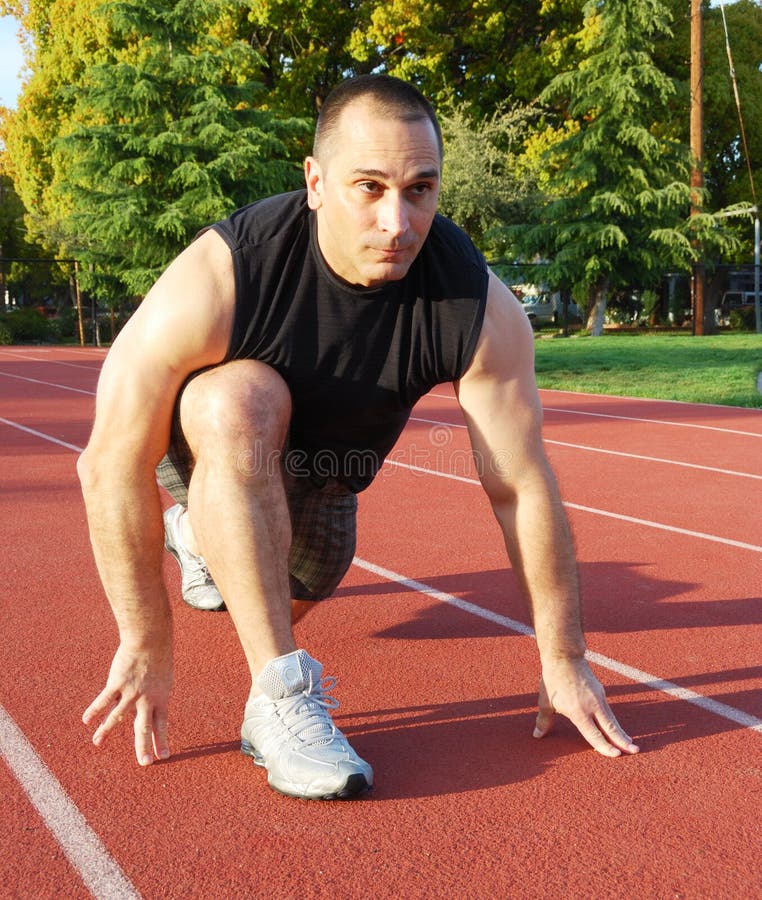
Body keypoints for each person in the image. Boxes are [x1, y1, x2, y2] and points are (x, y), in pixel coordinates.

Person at [77, 74, 639, 801]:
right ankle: (279, 703)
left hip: (327, 489)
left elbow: (520, 484)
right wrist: (145, 639)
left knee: (277, 589)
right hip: (205, 444)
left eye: (420, 190)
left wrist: (563, 655)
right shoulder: (226, 272)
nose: (397, 222)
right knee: (240, 398)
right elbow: (109, 463)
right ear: (316, 183)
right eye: (368, 188)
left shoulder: (475, 306)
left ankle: (202, 534)